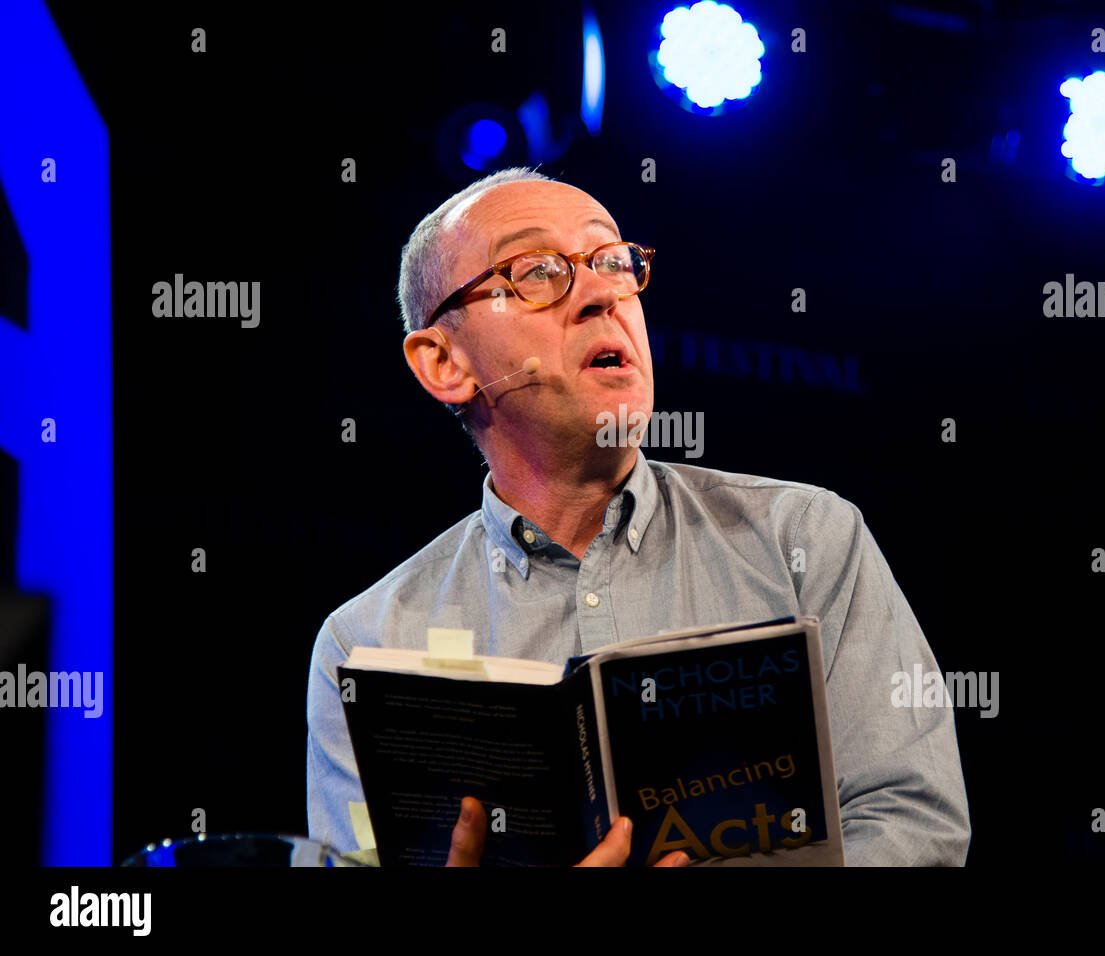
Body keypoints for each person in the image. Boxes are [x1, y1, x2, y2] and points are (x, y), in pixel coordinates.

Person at [306, 167, 971, 866]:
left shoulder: (805, 539)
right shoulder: (367, 644)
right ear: (444, 361)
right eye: (538, 271)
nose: (600, 294)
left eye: (613, 263)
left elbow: (914, 827)